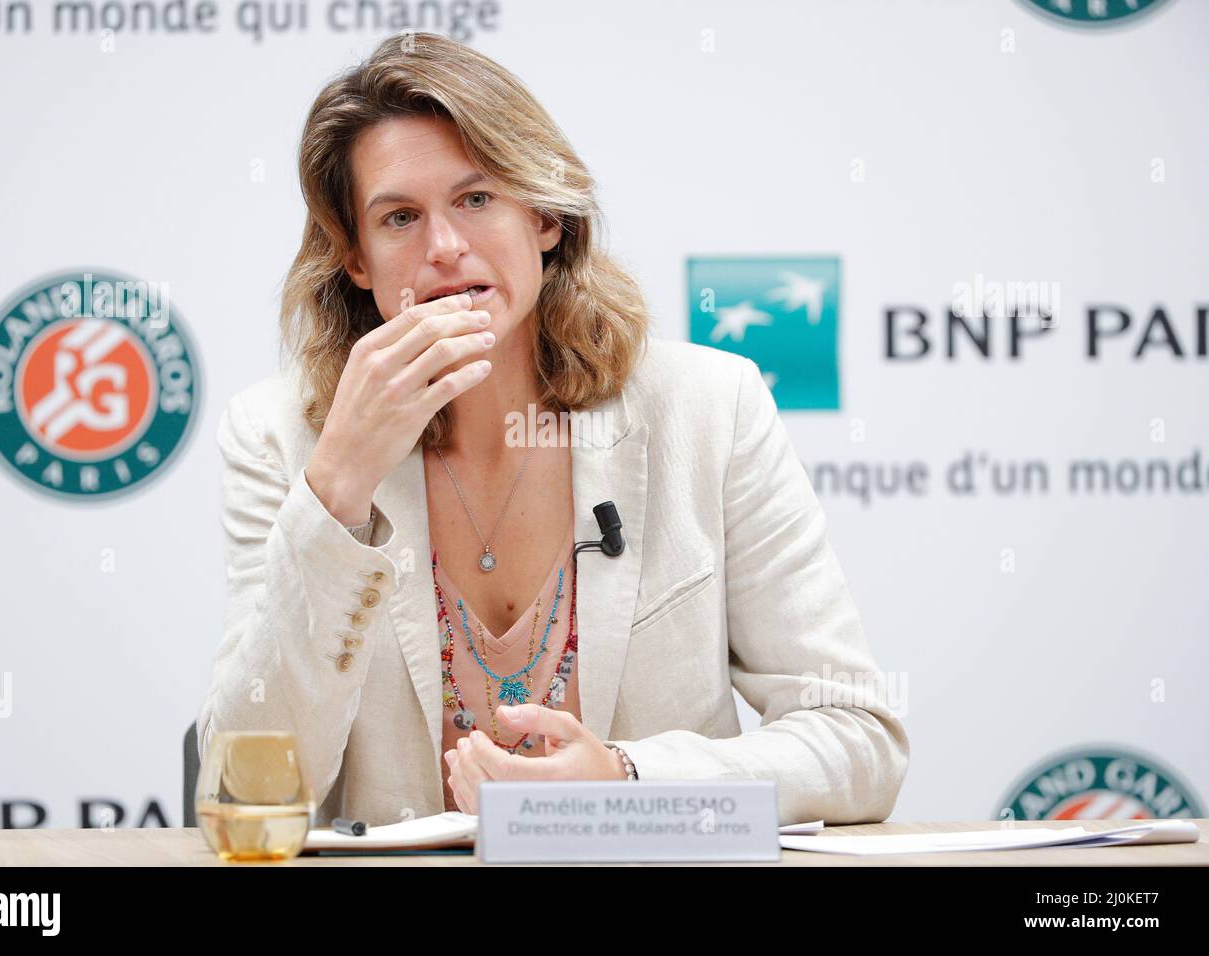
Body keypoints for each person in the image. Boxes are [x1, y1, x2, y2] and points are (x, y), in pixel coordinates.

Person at [197, 31, 909, 826]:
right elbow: (248, 790)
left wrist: (626, 779)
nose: (444, 248)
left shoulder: (709, 408)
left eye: (476, 198)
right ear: (356, 258)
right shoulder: (278, 437)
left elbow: (860, 741)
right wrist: (337, 486)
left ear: (543, 215)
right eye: (399, 217)